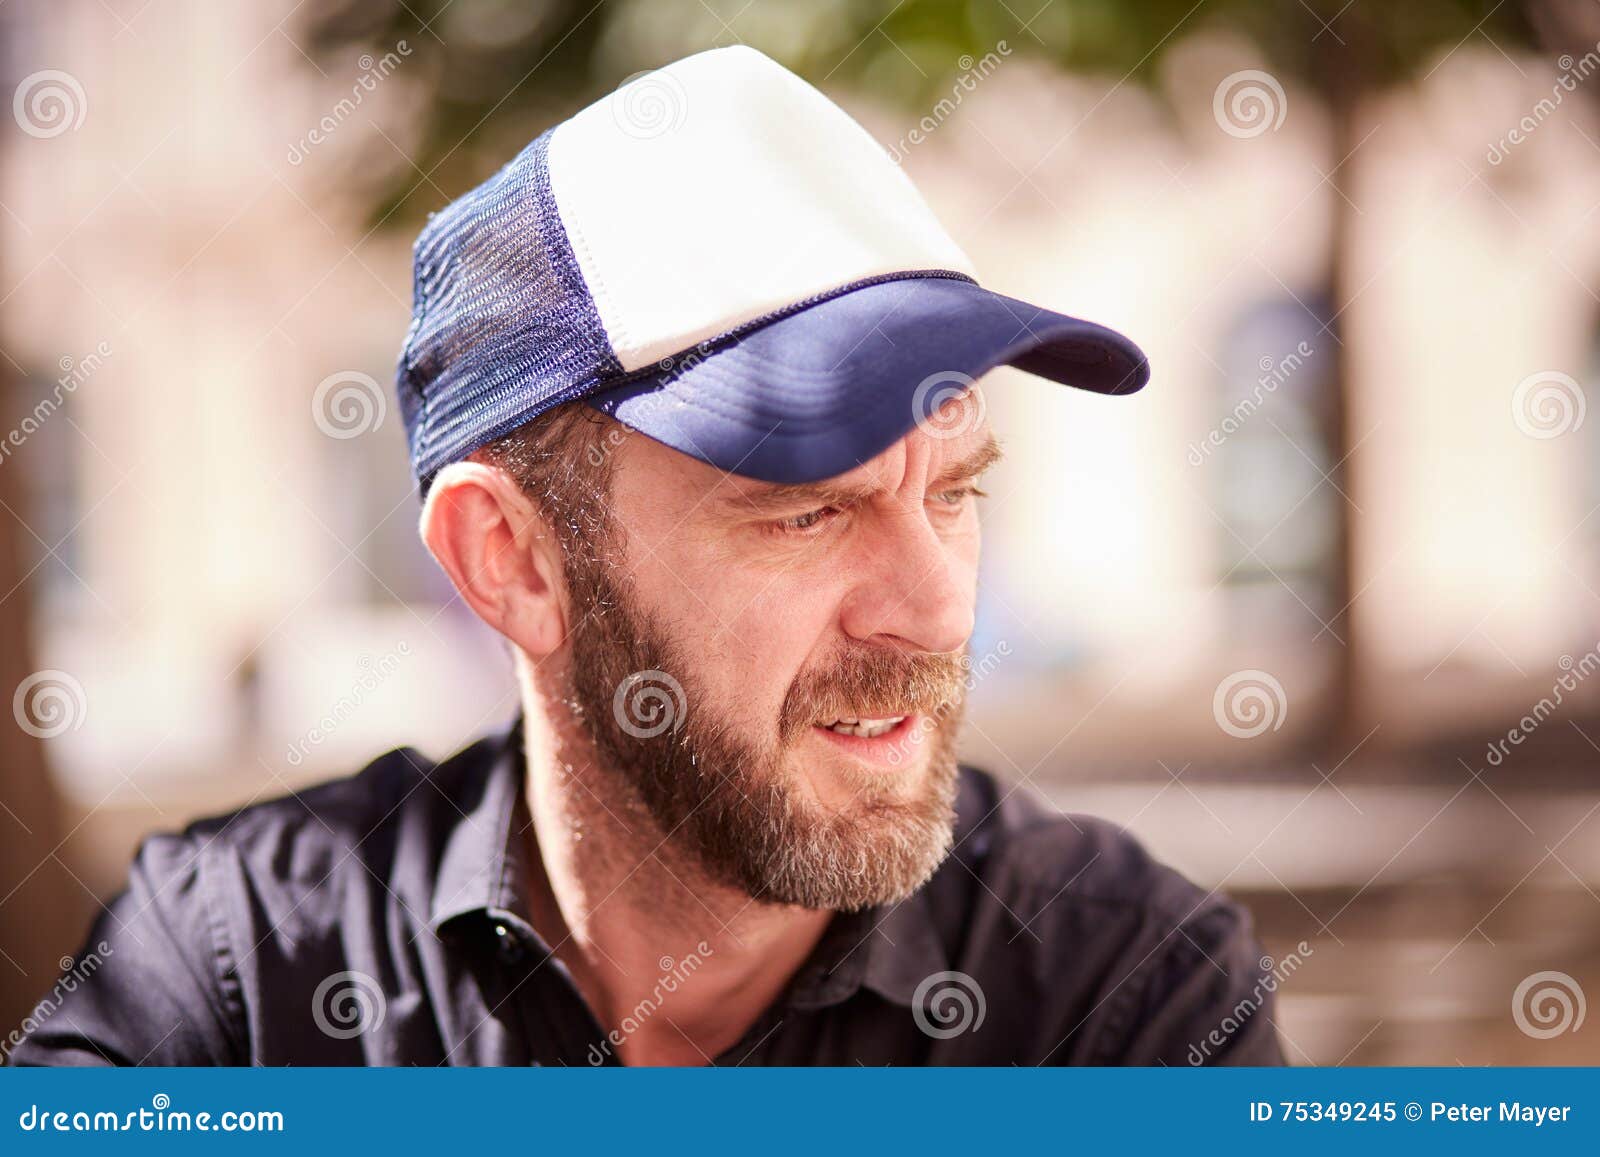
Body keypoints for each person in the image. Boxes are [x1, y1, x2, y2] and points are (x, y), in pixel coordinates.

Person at [9, 46, 1283, 1067]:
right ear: (508, 557)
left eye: (953, 493)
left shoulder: (1123, 1002)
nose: (939, 608)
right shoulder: (237, 984)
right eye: (806, 511)